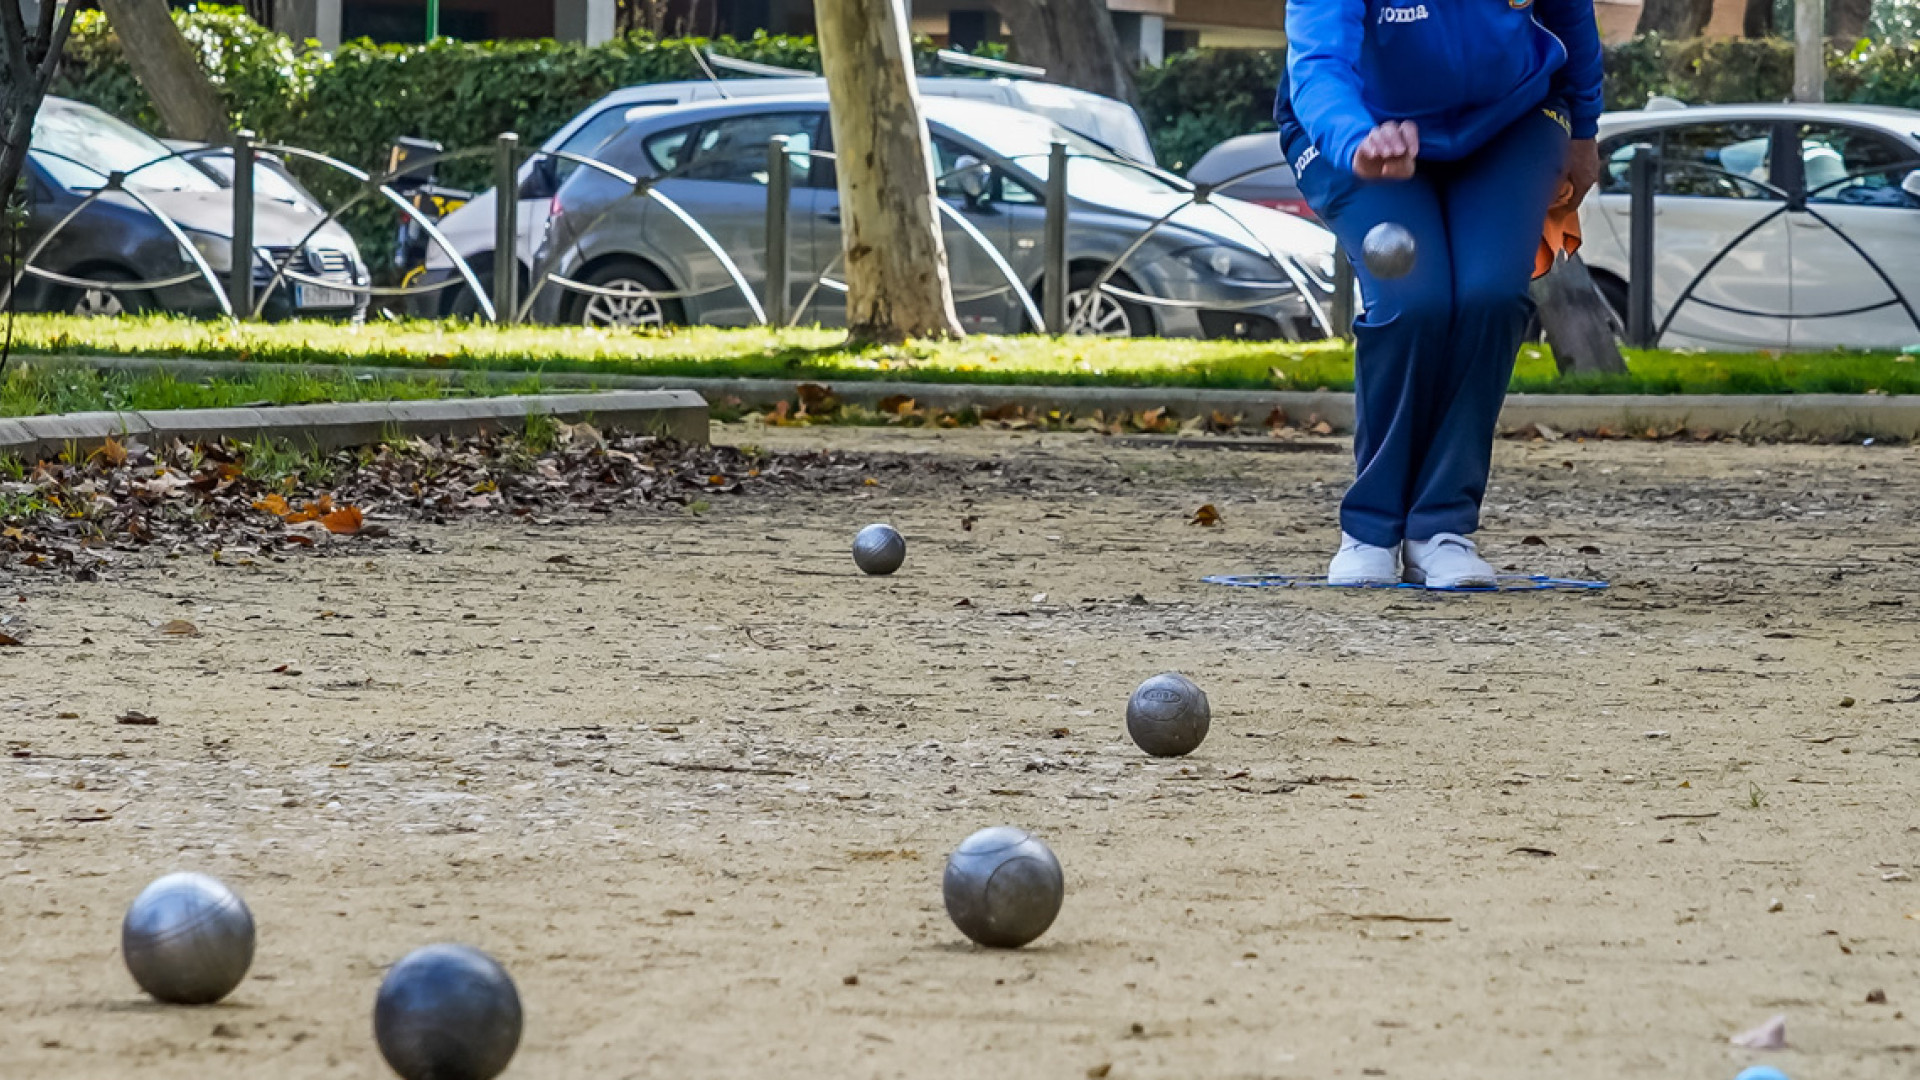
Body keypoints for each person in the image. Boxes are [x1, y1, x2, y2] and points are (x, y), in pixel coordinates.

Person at [1275, 0, 1604, 587]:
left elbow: (1571, 14)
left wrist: (1584, 128)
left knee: (1491, 296)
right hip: (1363, 126)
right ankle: (1371, 528)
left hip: (1512, 118)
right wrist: (1357, 140)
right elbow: (1320, 61)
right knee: (1415, 302)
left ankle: (1441, 528)